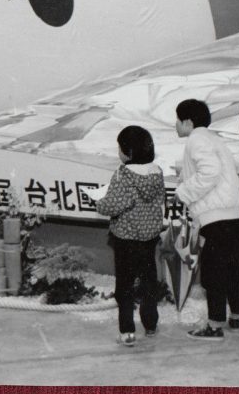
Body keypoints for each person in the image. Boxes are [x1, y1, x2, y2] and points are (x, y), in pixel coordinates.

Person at [174, 98, 239, 340]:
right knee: (233, 268)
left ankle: (214, 326)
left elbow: (209, 172)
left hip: (215, 217)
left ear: (187, 122)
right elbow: (224, 168)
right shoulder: (214, 138)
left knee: (214, 273)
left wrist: (182, 193)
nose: (176, 125)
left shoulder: (196, 139)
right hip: (234, 213)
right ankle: (237, 316)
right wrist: (184, 172)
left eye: (177, 120)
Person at [95, 125, 165, 347]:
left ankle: (127, 331)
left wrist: (98, 201)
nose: (118, 151)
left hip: (126, 239)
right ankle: (151, 324)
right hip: (149, 239)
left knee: (124, 286)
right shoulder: (157, 172)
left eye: (120, 147)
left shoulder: (124, 174)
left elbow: (113, 205)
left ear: (129, 152)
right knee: (148, 282)